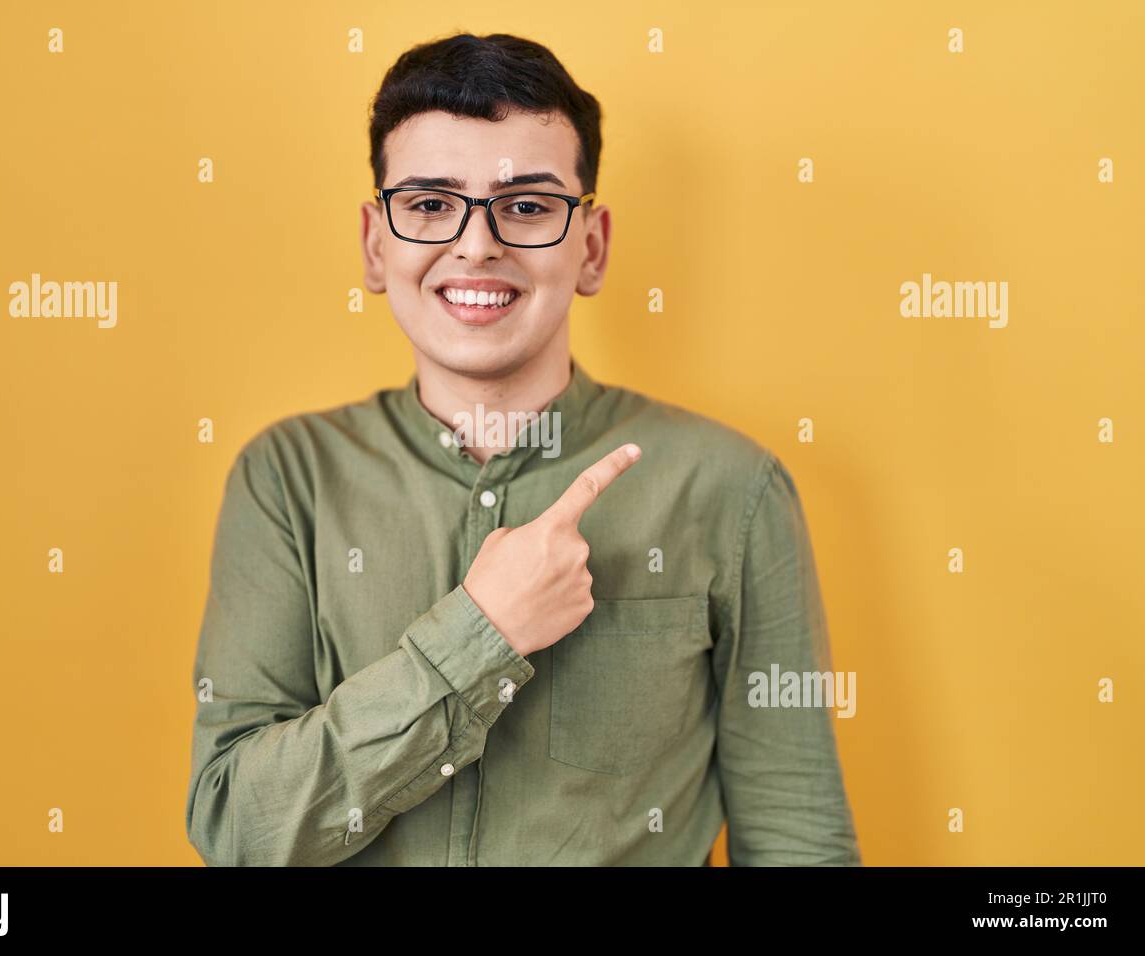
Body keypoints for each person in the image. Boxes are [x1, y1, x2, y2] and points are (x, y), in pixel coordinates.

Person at [185, 31, 862, 866]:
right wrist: (482, 631)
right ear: (375, 243)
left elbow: (798, 834)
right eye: (431, 204)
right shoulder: (286, 479)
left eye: (528, 206)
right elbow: (238, 830)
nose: (476, 245)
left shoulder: (733, 487)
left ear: (593, 247)